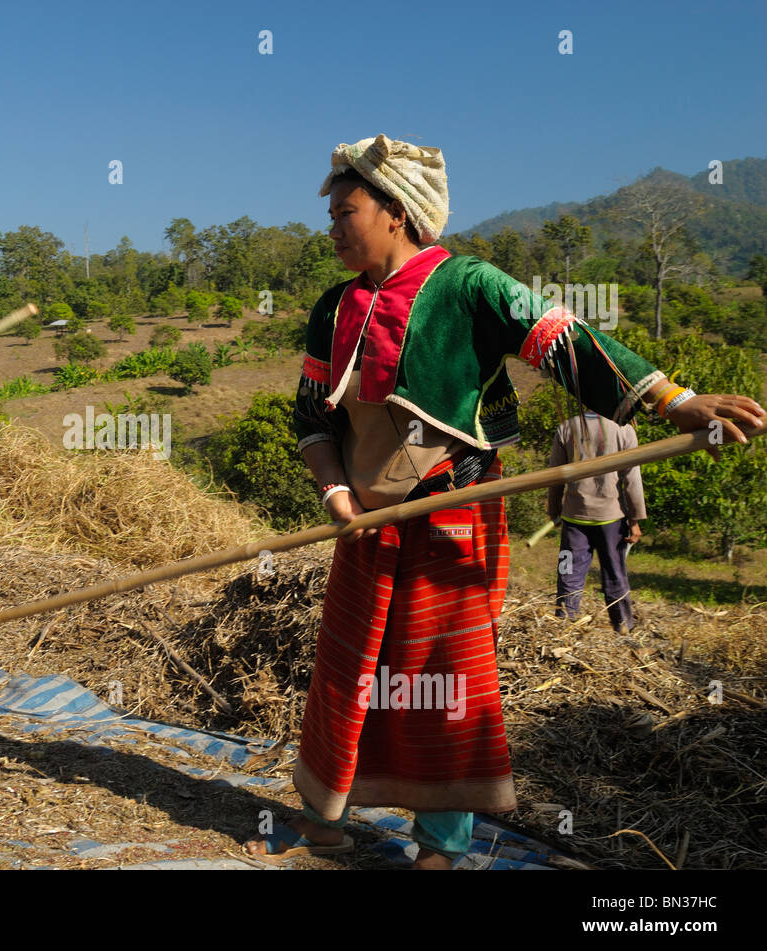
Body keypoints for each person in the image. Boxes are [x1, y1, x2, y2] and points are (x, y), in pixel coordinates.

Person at [243, 134, 764, 869]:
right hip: (364, 524)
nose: (331, 223)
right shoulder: (332, 309)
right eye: (331, 211)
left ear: (396, 211)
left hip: (454, 511)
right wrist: (335, 493)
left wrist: (674, 399)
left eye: (345, 209)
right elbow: (312, 419)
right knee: (347, 666)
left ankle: (440, 847)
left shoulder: (471, 286)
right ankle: (324, 819)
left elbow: (563, 339)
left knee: (442, 677)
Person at [547, 413, 645, 633]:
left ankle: (563, 626)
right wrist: (635, 518)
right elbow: (632, 478)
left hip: (574, 518)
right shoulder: (624, 429)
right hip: (611, 517)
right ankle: (622, 626)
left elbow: (554, 475)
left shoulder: (566, 426)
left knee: (568, 572)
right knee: (615, 573)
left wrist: (553, 509)